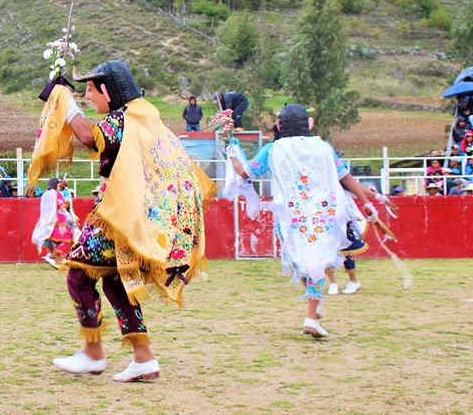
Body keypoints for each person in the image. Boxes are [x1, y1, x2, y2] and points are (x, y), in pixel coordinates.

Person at [41, 61, 209, 382]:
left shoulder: (124, 118)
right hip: (135, 212)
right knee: (116, 280)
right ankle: (143, 359)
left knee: (78, 274)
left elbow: (88, 137)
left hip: (117, 214)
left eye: (90, 89)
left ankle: (92, 353)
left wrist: (66, 100)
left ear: (106, 90)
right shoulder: (143, 116)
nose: (89, 95)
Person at [230, 104, 385, 339]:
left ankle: (314, 309)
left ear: (280, 125)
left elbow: (245, 173)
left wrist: (232, 152)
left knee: (304, 262)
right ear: (308, 125)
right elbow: (347, 179)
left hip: (292, 218)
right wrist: (368, 203)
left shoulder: (273, 150)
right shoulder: (323, 148)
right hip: (324, 216)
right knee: (316, 264)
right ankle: (312, 316)